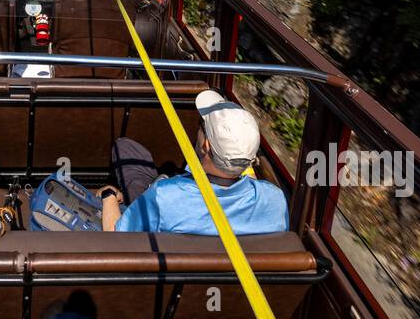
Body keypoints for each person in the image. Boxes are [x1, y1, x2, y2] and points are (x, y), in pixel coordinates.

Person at [98, 90, 288, 234]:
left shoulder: (164, 196)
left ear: (205, 145)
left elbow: (116, 234)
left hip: (162, 205)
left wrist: (109, 195)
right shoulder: (274, 200)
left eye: (201, 125)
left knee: (125, 148)